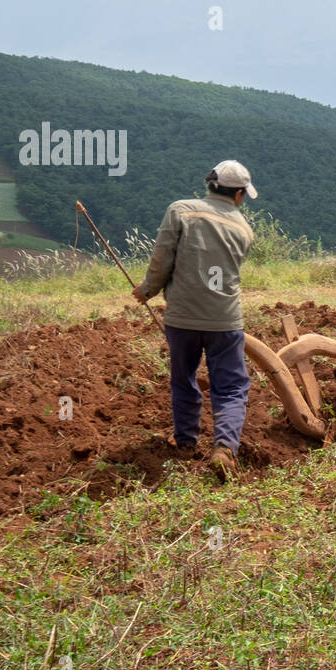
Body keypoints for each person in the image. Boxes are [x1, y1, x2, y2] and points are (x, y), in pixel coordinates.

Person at [132, 160, 257, 480]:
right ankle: (225, 447)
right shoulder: (244, 229)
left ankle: (186, 442)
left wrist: (147, 290)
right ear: (239, 195)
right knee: (230, 387)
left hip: (181, 318)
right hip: (225, 320)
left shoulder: (180, 211)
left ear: (210, 186)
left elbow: (162, 258)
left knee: (183, 378)